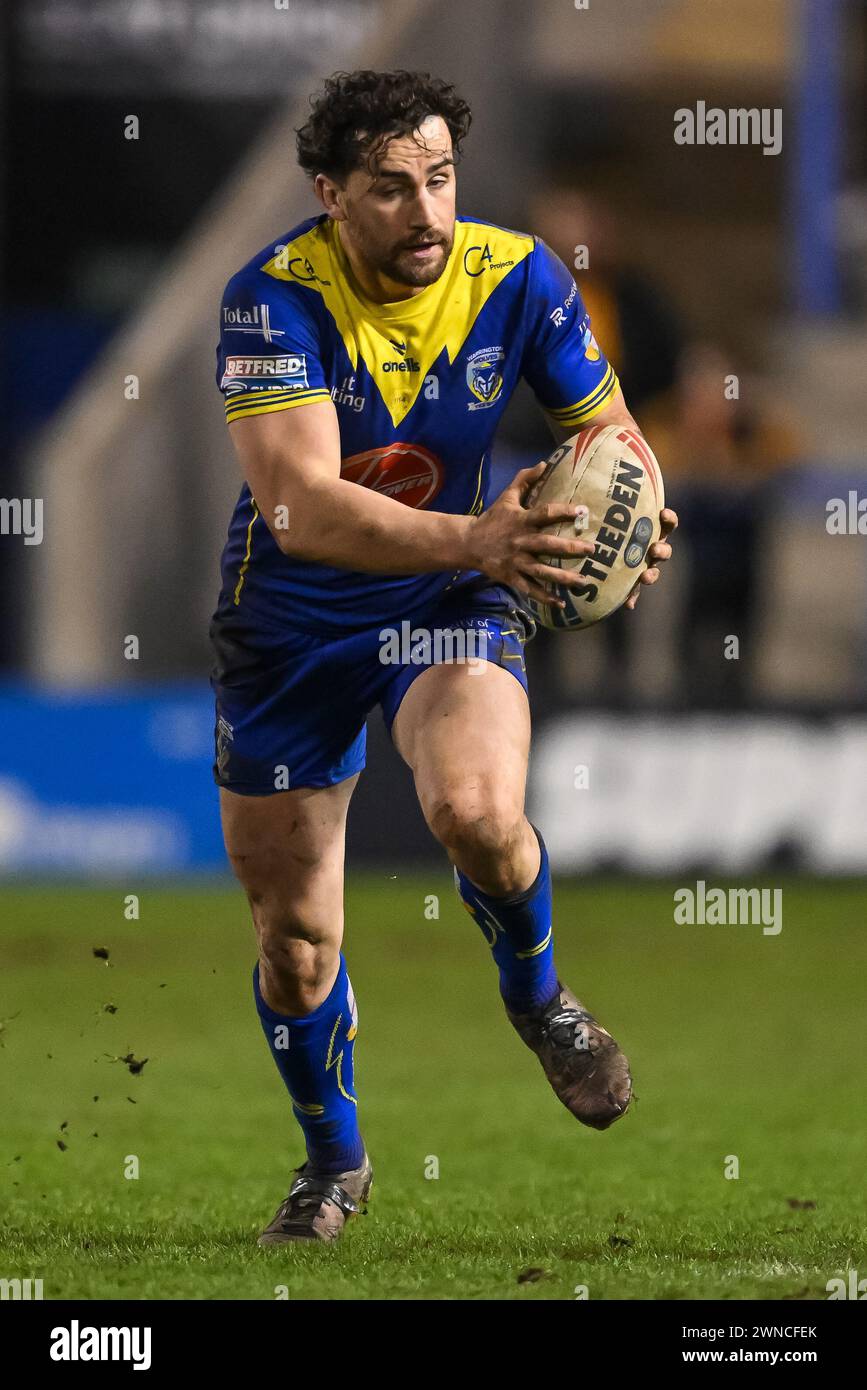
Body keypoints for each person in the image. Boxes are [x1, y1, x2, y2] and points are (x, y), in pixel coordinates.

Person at [210, 69, 677, 1244]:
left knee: (474, 807)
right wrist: (482, 531)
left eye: (442, 180)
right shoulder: (271, 301)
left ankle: (544, 1003)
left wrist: (634, 515)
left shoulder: (517, 278)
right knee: (297, 943)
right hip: (293, 624)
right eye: (390, 190)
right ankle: (335, 1164)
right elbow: (302, 511)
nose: (427, 213)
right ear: (330, 195)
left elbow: (607, 430)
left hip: (456, 593)